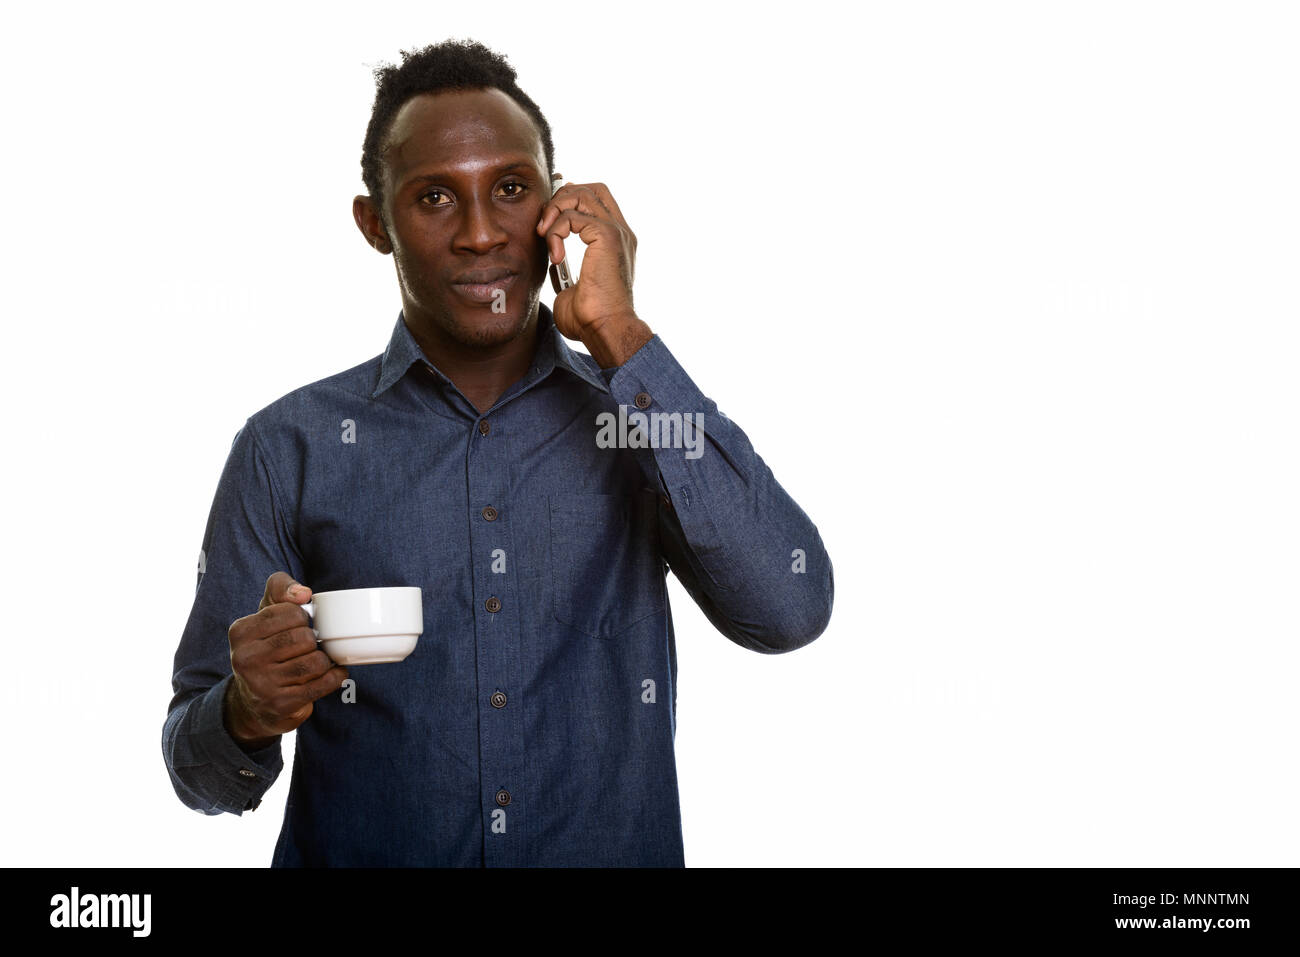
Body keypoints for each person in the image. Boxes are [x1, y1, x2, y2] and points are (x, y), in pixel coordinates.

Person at [162, 38, 834, 867]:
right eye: (436, 197)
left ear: (555, 208)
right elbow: (197, 773)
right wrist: (242, 712)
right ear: (376, 224)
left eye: (511, 190)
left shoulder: (633, 419)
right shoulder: (286, 447)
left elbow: (790, 607)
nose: (481, 234)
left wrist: (622, 335)